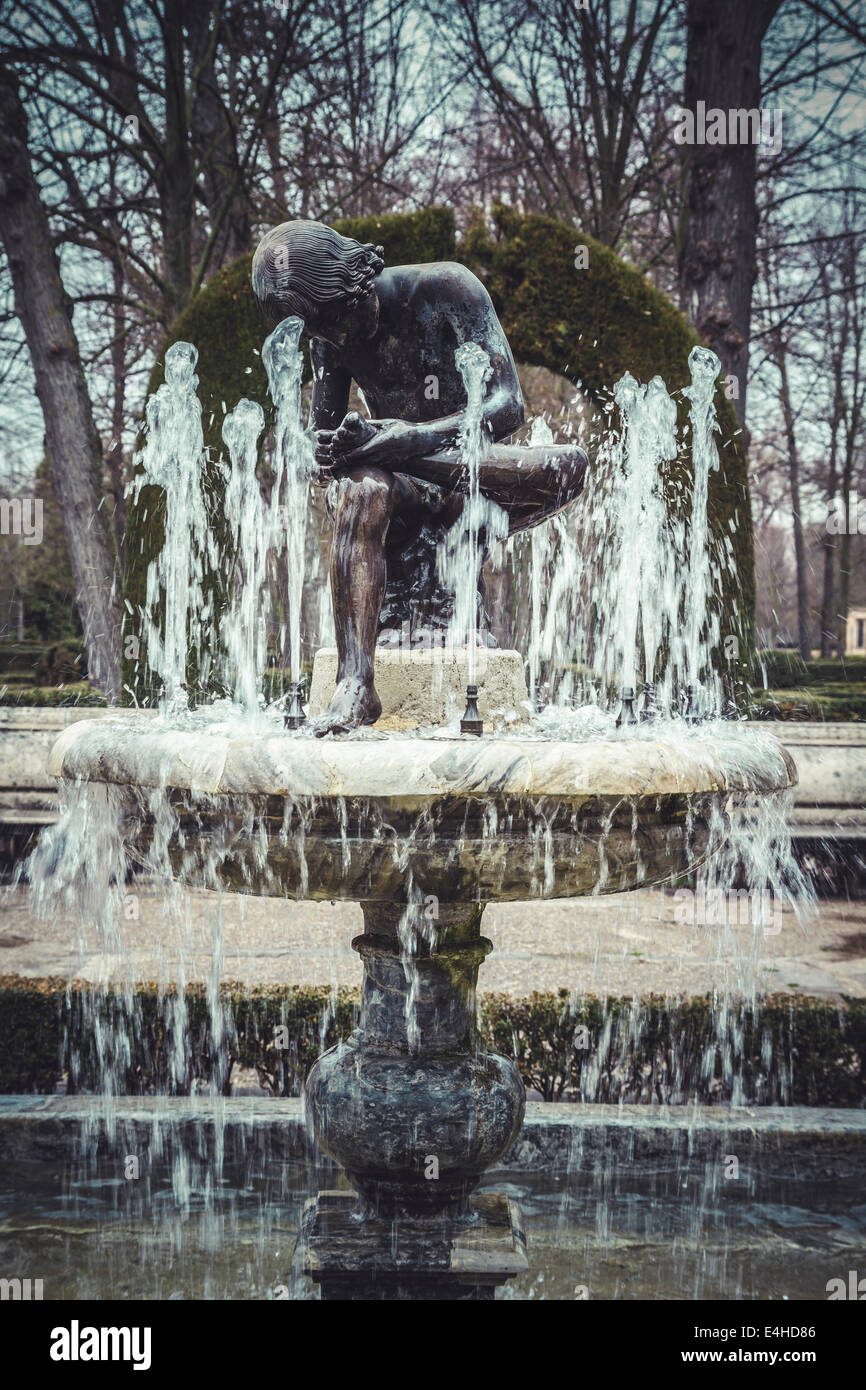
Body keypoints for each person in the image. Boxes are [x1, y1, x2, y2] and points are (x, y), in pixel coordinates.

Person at [252, 219, 587, 733]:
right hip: (402, 492)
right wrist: (330, 447)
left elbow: (508, 407)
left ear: (358, 276)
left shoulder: (447, 287)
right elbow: (326, 455)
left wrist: (411, 440)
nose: (337, 338)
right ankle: (357, 685)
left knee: (569, 467)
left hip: (469, 477)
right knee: (362, 490)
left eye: (339, 321)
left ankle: (403, 458)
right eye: (322, 332)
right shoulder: (328, 339)